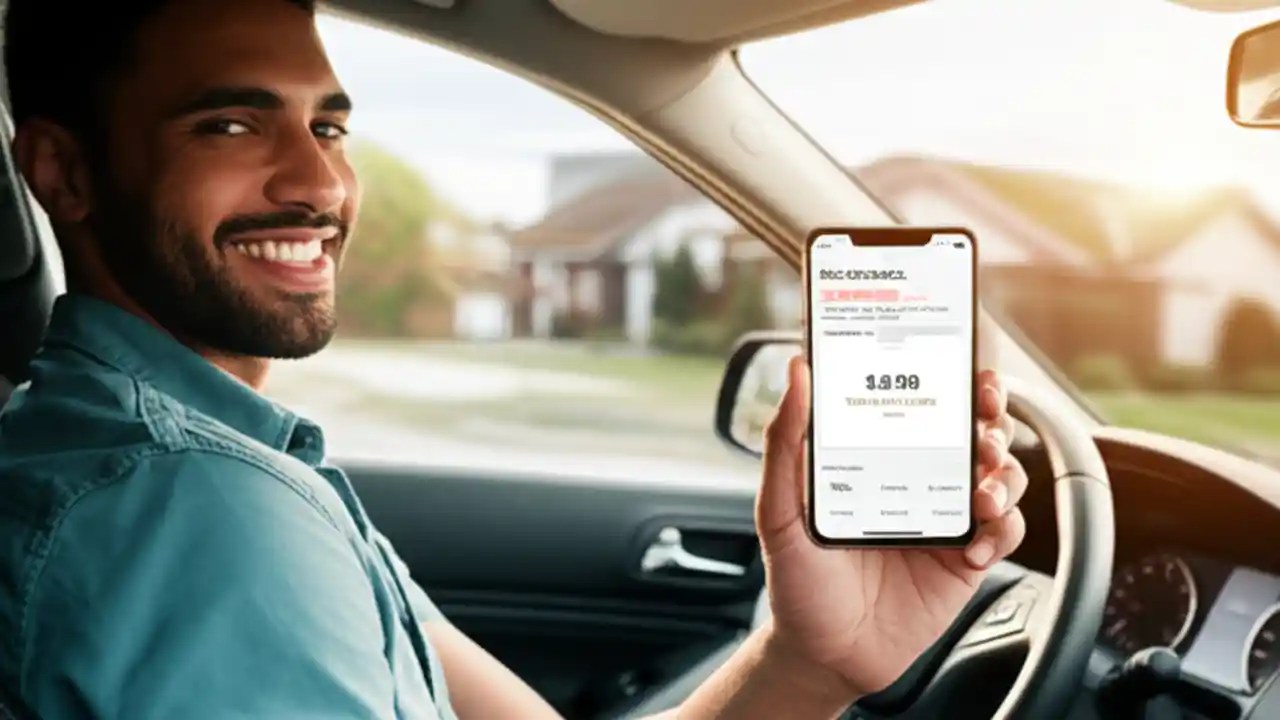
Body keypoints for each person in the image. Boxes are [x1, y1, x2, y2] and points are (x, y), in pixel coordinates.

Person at [0, 0, 1028, 718]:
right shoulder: (190, 504)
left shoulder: (236, 465)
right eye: (229, 123)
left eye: (329, 125)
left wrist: (810, 661)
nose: (319, 181)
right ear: (64, 170)